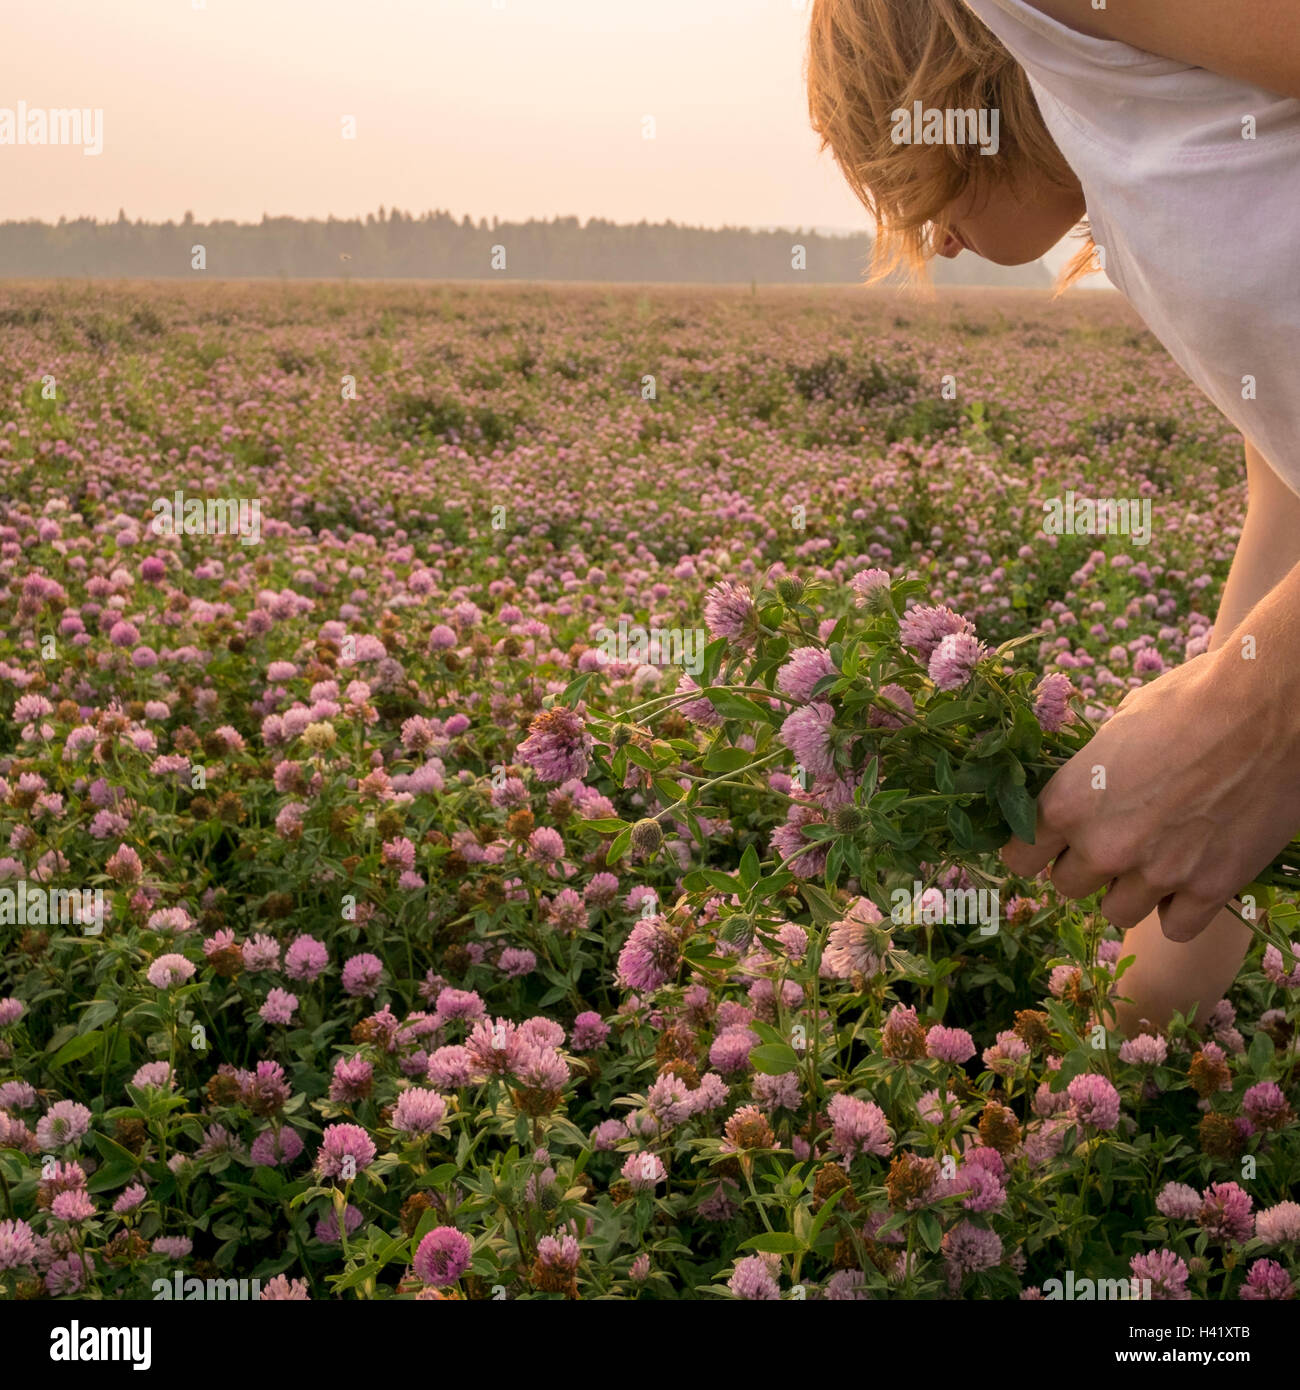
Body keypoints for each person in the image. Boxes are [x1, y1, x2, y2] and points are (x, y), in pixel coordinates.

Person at [807, 0, 1300, 1034]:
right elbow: (1287, 497)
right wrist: (1126, 1026)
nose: (927, 236)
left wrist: (1260, 714)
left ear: (939, 94)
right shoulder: (1127, 176)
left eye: (900, 180)